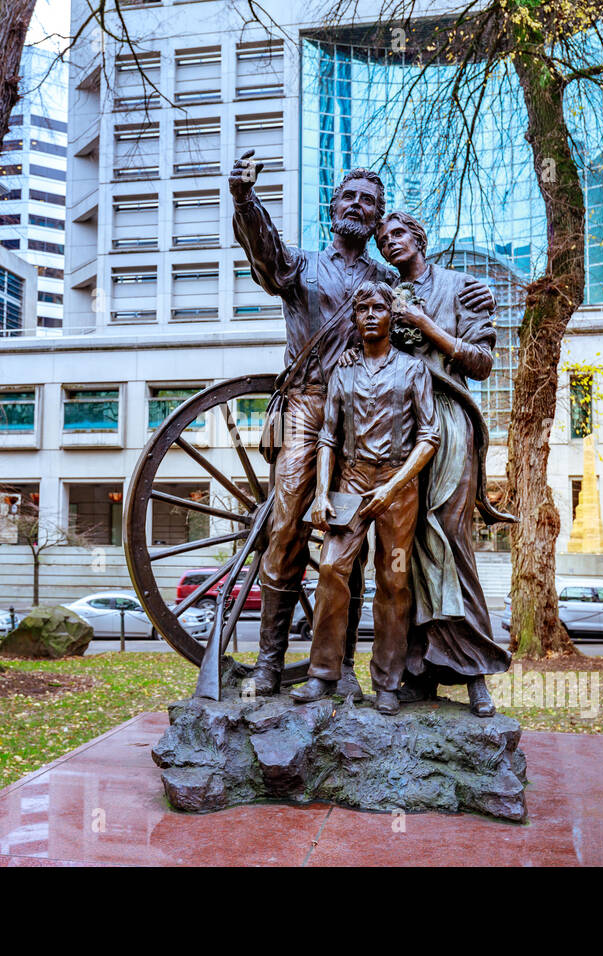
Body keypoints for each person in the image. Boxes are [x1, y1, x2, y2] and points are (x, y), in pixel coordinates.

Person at [230, 149, 397, 696]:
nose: (357, 205)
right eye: (349, 196)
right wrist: (244, 198)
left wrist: (472, 298)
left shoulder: (385, 280)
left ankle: (340, 667)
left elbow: (423, 317)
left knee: (352, 540)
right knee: (284, 530)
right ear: (334, 207)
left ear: (377, 218)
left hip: (365, 414)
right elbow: (266, 252)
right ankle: (270, 665)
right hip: (305, 405)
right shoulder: (300, 265)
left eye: (368, 201)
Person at [372, 211, 512, 717]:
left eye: (398, 234)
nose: (390, 244)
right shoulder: (381, 295)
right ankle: (418, 671)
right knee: (400, 552)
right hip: (397, 424)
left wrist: (428, 327)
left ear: (419, 238)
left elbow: (481, 361)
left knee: (451, 541)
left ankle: (475, 672)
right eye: (382, 239)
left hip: (448, 419)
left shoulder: (460, 287)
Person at [290, 281, 440, 715]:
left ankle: (388, 683)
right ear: (354, 320)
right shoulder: (344, 371)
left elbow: (428, 436)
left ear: (392, 315)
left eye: (379, 307)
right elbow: (327, 438)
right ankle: (323, 673)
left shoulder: (413, 370)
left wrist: (393, 488)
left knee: (394, 580)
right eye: (362, 309)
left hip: (398, 488)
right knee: (333, 567)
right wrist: (321, 495)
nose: (371, 314)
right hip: (350, 485)